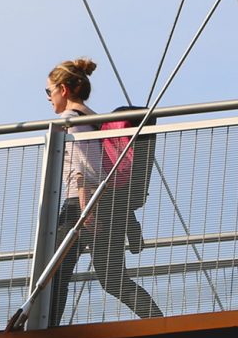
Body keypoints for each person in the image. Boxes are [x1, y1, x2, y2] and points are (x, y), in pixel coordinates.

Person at [44, 58, 163, 322]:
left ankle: (47, 332)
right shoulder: (95, 119)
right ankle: (158, 320)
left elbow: (84, 168)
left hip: (80, 206)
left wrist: (86, 209)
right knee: (113, 279)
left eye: (49, 91)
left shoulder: (69, 121)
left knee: (55, 276)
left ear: (63, 89)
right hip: (107, 205)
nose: (48, 98)